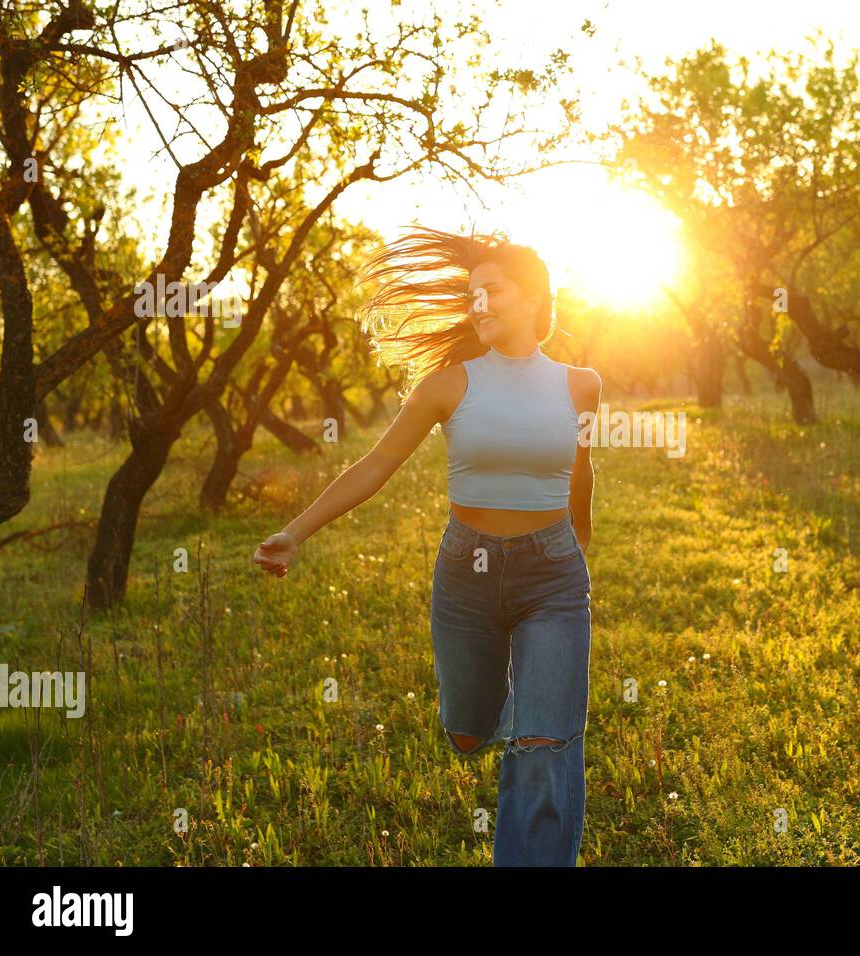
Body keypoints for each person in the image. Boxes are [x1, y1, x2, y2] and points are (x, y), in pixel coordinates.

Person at [253, 225, 601, 866]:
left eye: (491, 291)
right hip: (466, 576)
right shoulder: (449, 384)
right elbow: (374, 464)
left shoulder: (581, 385)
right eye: (472, 296)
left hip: (553, 578)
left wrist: (579, 543)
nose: (479, 305)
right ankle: (512, 714)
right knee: (468, 731)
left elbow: (579, 469)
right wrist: (294, 532)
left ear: (532, 297)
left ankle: (534, 732)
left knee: (547, 748)